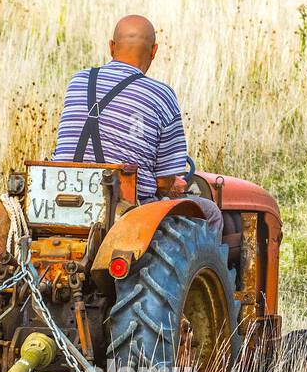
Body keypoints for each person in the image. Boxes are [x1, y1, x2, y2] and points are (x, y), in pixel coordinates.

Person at [51, 15, 223, 235]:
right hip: (127, 209)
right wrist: (173, 183)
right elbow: (163, 180)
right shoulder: (162, 95)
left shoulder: (78, 80)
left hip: (61, 198)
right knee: (211, 212)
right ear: (154, 51)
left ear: (111, 47)